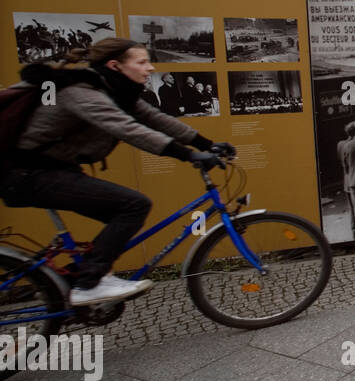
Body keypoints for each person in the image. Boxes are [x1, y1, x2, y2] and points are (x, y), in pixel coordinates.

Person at [1, 38, 232, 305]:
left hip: (47, 170)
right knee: (133, 205)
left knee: (119, 215)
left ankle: (86, 273)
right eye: (142, 62)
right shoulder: (80, 91)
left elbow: (157, 119)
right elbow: (127, 128)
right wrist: (188, 155)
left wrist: (207, 144)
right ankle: (89, 283)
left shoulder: (116, 90)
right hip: (23, 173)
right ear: (115, 65)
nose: (151, 68)